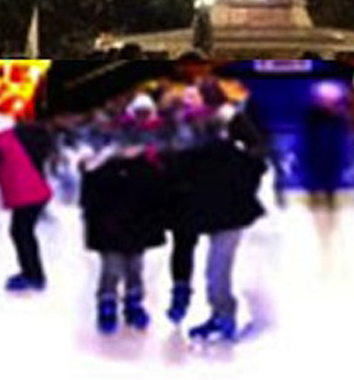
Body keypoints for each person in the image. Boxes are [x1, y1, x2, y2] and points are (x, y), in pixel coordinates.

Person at [176, 83, 267, 343]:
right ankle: (218, 314)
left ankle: (226, 315)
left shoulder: (229, 119)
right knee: (212, 270)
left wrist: (238, 177)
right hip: (206, 207)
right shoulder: (188, 126)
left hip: (231, 208)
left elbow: (257, 154)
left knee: (218, 270)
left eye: (192, 97)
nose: (186, 101)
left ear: (207, 98)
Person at [79, 94, 166, 333]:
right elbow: (90, 193)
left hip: (138, 220)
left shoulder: (150, 160)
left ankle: (133, 302)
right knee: (112, 266)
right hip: (110, 222)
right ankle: (107, 304)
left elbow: (157, 190)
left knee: (135, 266)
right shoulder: (102, 163)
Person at [0, 110, 53, 292]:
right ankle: (33, 273)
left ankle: (33, 275)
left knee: (21, 233)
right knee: (22, 233)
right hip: (35, 191)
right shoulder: (15, 139)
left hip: (26, 194)